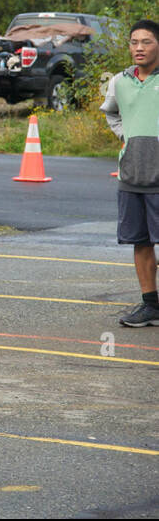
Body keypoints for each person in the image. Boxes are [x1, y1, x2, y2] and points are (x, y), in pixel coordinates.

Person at [101, 19, 159, 328]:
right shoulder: (119, 81)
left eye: (146, 42)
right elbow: (111, 111)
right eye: (134, 42)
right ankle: (151, 305)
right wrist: (127, 137)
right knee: (140, 241)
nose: (139, 47)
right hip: (132, 173)